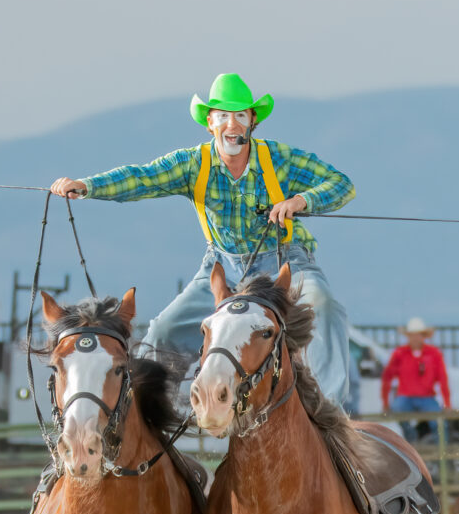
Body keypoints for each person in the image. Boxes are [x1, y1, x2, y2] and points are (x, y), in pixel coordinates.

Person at [49, 73, 355, 405]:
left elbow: (341, 184)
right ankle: (150, 413)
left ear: (252, 121)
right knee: (163, 331)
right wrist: (88, 186)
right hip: (222, 268)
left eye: (240, 116)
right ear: (210, 123)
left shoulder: (280, 159)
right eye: (223, 116)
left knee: (322, 305)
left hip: (284, 263)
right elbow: (142, 178)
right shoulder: (193, 164)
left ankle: (330, 412)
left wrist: (301, 201)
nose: (231, 125)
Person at [380, 317, 451, 442]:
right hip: (405, 397)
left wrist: (447, 403)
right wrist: (385, 403)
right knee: (396, 410)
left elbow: (443, 379)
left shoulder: (434, 353)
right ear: (408, 336)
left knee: (440, 422)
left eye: (418, 335)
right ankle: (411, 439)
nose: (415, 338)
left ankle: (442, 450)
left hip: (427, 398)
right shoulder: (400, 353)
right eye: (412, 335)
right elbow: (387, 377)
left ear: (424, 336)